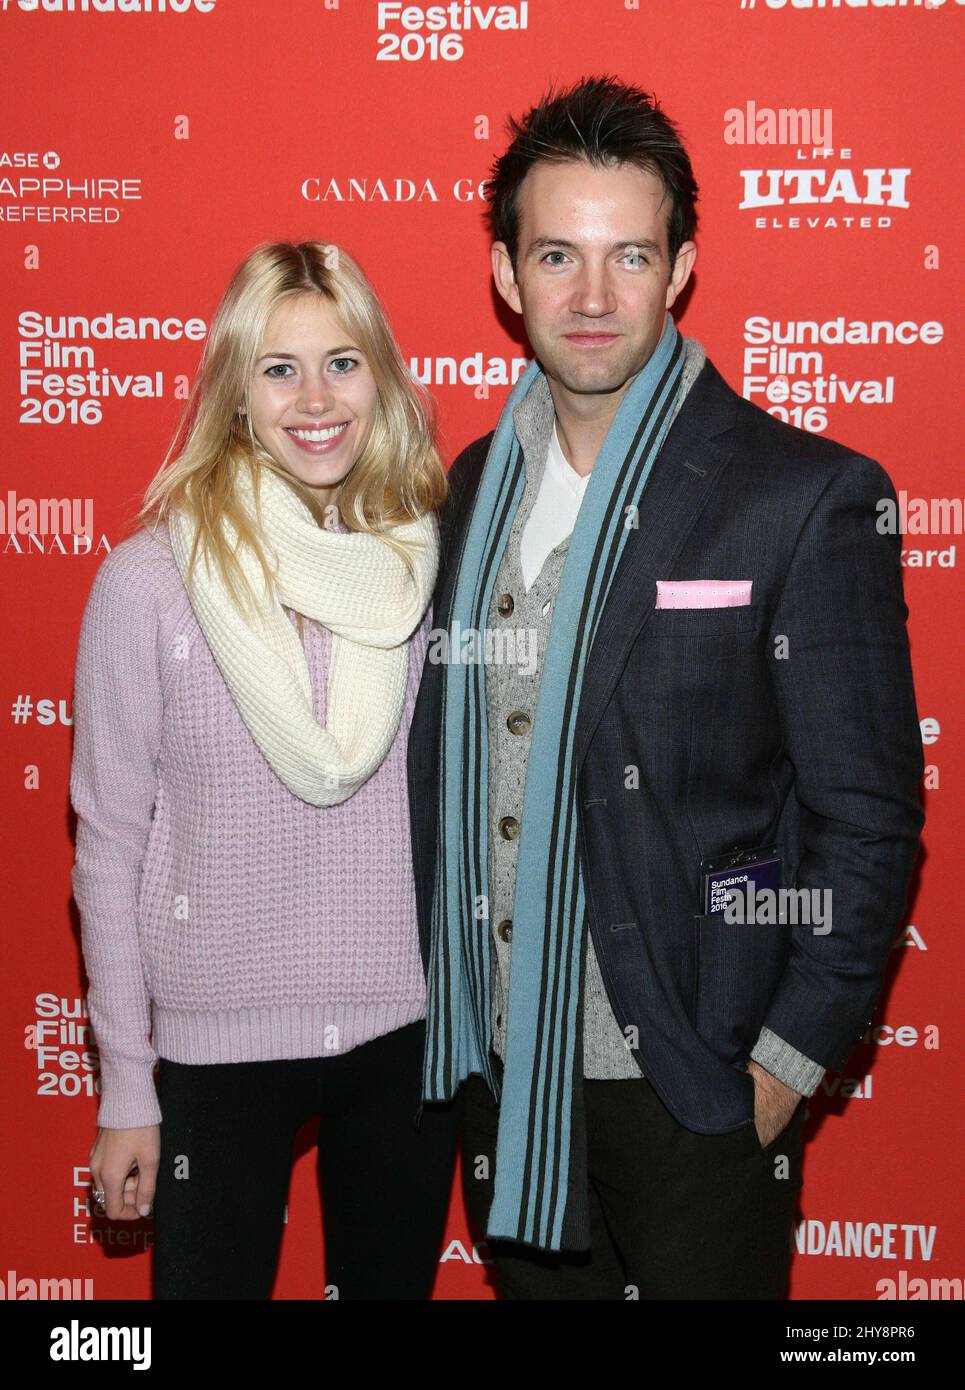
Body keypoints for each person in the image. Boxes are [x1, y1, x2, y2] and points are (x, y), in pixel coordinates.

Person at [407, 76, 925, 1299]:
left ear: (681, 266)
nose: (590, 297)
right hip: (502, 1071)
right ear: (502, 273)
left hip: (697, 1077)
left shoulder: (799, 495)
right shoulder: (462, 493)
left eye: (627, 254)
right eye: (555, 255)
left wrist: (786, 1061)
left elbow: (868, 814)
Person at [70, 240, 457, 1300]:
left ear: (379, 376)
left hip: (408, 1039)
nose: (314, 397)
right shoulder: (150, 581)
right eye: (277, 367)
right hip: (215, 1046)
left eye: (341, 360)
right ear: (235, 393)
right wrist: (125, 1089)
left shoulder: (432, 567)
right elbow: (106, 842)